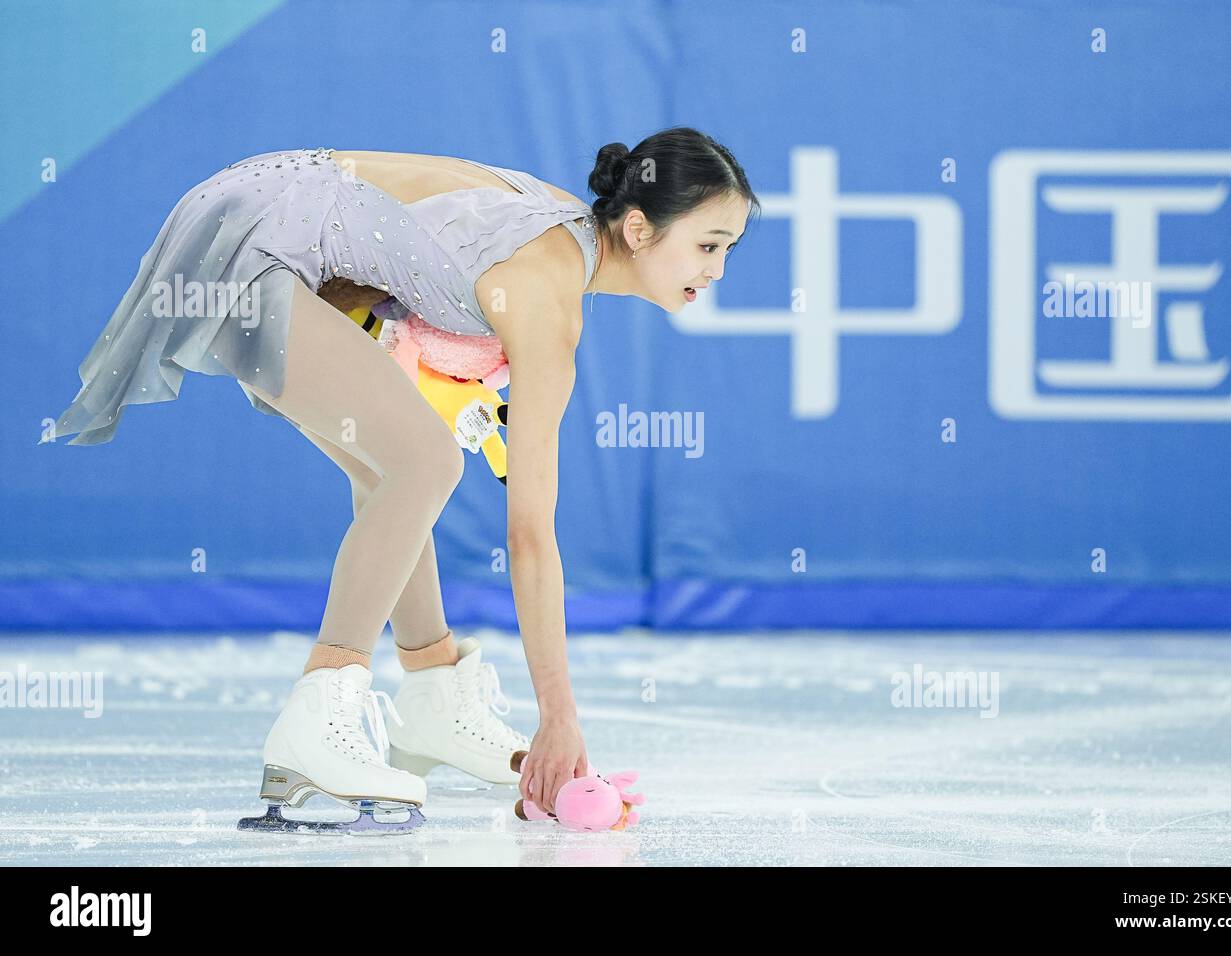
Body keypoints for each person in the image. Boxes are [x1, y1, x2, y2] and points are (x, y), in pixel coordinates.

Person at [44, 127, 760, 825]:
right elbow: (531, 534)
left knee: (393, 466)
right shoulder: (548, 300)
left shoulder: (561, 232)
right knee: (424, 461)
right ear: (638, 229)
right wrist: (559, 719)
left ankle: (432, 695)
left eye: (727, 248)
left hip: (258, 215)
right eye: (708, 245)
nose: (717, 270)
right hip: (252, 246)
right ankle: (319, 711)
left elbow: (390, 205)